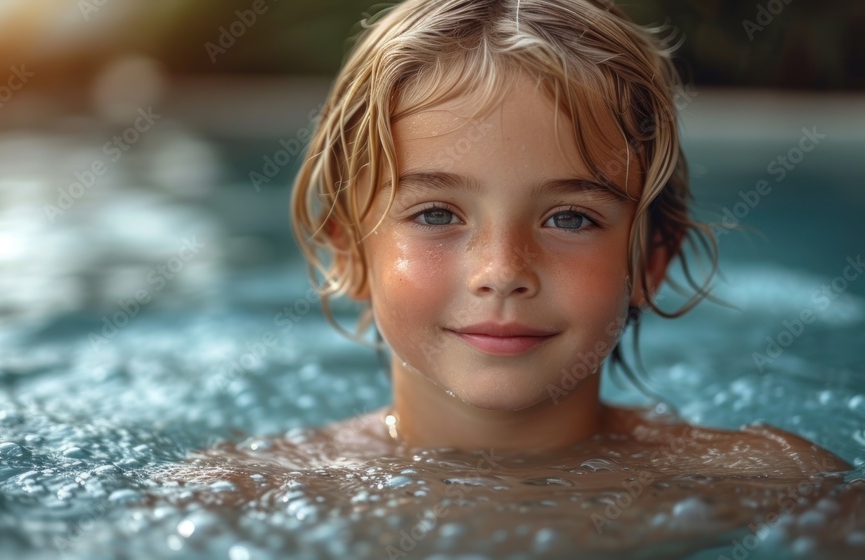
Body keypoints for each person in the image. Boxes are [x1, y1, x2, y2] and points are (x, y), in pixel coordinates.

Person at [286, 0, 849, 467]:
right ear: (350, 252)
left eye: (570, 218)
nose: (503, 271)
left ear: (650, 262)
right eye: (436, 214)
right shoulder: (256, 494)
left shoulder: (767, 484)